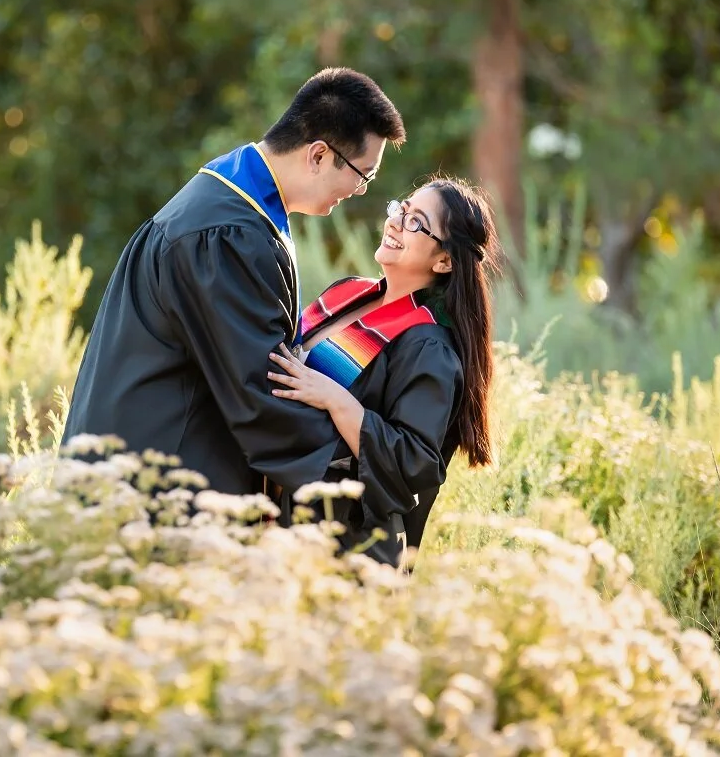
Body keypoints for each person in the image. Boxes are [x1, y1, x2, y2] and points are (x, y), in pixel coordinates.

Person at [61, 67, 406, 496]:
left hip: (136, 467)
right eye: (363, 174)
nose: (360, 190)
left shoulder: (228, 203)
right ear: (318, 155)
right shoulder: (226, 235)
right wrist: (375, 467)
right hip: (151, 485)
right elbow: (261, 395)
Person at [267, 177, 501, 567]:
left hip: (344, 544)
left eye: (416, 222)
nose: (395, 223)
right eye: (401, 210)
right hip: (280, 512)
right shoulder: (345, 294)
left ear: (444, 261)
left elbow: (414, 461)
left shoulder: (427, 346)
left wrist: (337, 401)